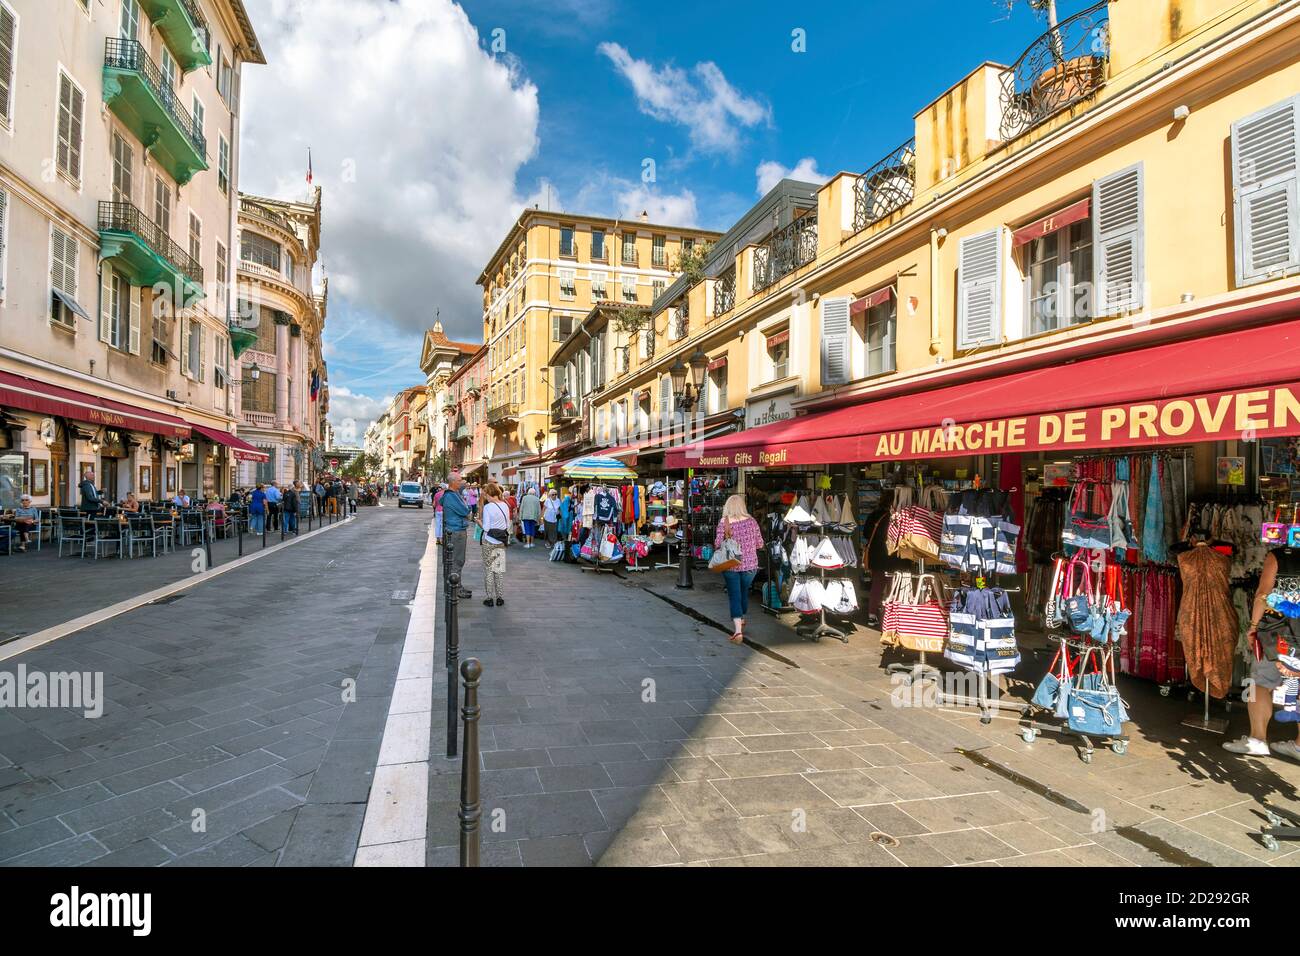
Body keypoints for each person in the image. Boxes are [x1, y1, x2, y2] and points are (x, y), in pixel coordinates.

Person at [1224, 545, 1300, 761]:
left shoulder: (1279, 556)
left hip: (1278, 632)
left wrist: (1254, 626)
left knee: (1259, 683)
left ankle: (1257, 739)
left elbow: (1262, 594)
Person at [715, 495, 763, 645]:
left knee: (734, 596)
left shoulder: (724, 522)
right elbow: (759, 544)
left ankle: (737, 631)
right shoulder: (752, 522)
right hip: (750, 566)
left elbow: (717, 544)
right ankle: (741, 618)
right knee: (743, 592)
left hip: (730, 565)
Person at [477, 482, 510, 607]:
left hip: (489, 541)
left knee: (489, 570)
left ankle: (489, 598)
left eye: (486, 495)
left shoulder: (488, 507)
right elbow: (507, 525)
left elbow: (486, 528)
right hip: (501, 541)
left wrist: (478, 522)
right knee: (499, 570)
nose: (485, 497)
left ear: (489, 494)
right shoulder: (505, 505)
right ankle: (500, 597)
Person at [441, 473, 473, 598]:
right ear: (453, 482)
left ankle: (456, 586)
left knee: (455, 560)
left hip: (454, 529)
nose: (462, 482)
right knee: (457, 560)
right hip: (456, 531)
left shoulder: (452, 495)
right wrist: (467, 508)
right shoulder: (452, 496)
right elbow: (465, 510)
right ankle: (455, 588)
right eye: (460, 480)